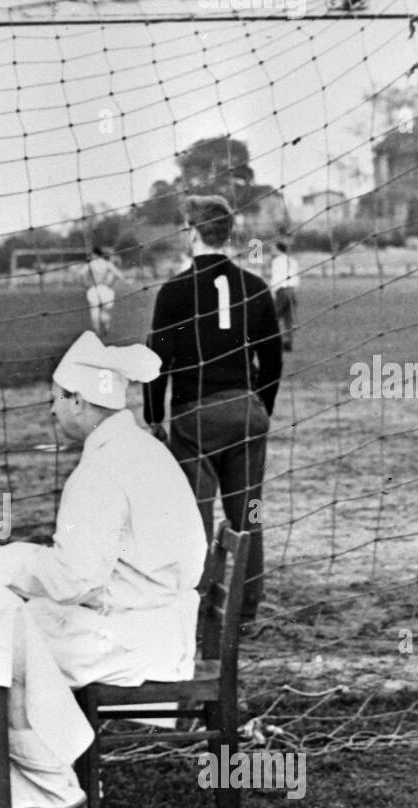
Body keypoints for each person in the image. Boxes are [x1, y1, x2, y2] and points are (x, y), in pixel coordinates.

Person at [0, 331, 205, 808]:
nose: (50, 412)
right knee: (13, 630)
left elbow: (70, 578)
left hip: (132, 635)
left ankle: (58, 793)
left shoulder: (103, 468)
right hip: (146, 617)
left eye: (55, 400)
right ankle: (31, 779)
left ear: (81, 402)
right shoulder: (139, 447)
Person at [143, 194, 283, 625]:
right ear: (229, 233)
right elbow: (273, 360)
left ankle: (197, 608)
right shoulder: (256, 288)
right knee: (248, 513)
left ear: (192, 232)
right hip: (246, 414)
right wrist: (259, 408)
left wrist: (154, 418)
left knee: (195, 516)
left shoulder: (174, 290)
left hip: (195, 419)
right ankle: (244, 610)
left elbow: (157, 361)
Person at [84, 247, 122, 339]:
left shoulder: (91, 264)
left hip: (94, 288)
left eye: (92, 254)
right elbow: (119, 275)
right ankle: (106, 328)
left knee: (94, 310)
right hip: (105, 289)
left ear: (95, 254)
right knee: (104, 311)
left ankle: (97, 332)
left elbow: (80, 274)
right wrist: (111, 285)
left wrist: (86, 284)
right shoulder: (107, 264)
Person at [269, 240, 298, 352]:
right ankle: (288, 342)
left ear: (278, 249)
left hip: (281, 290)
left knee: (273, 317)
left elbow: (276, 278)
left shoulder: (276, 261)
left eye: (273, 249)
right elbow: (296, 277)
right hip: (292, 290)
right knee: (288, 318)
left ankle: (272, 342)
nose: (271, 251)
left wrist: (273, 292)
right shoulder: (293, 260)